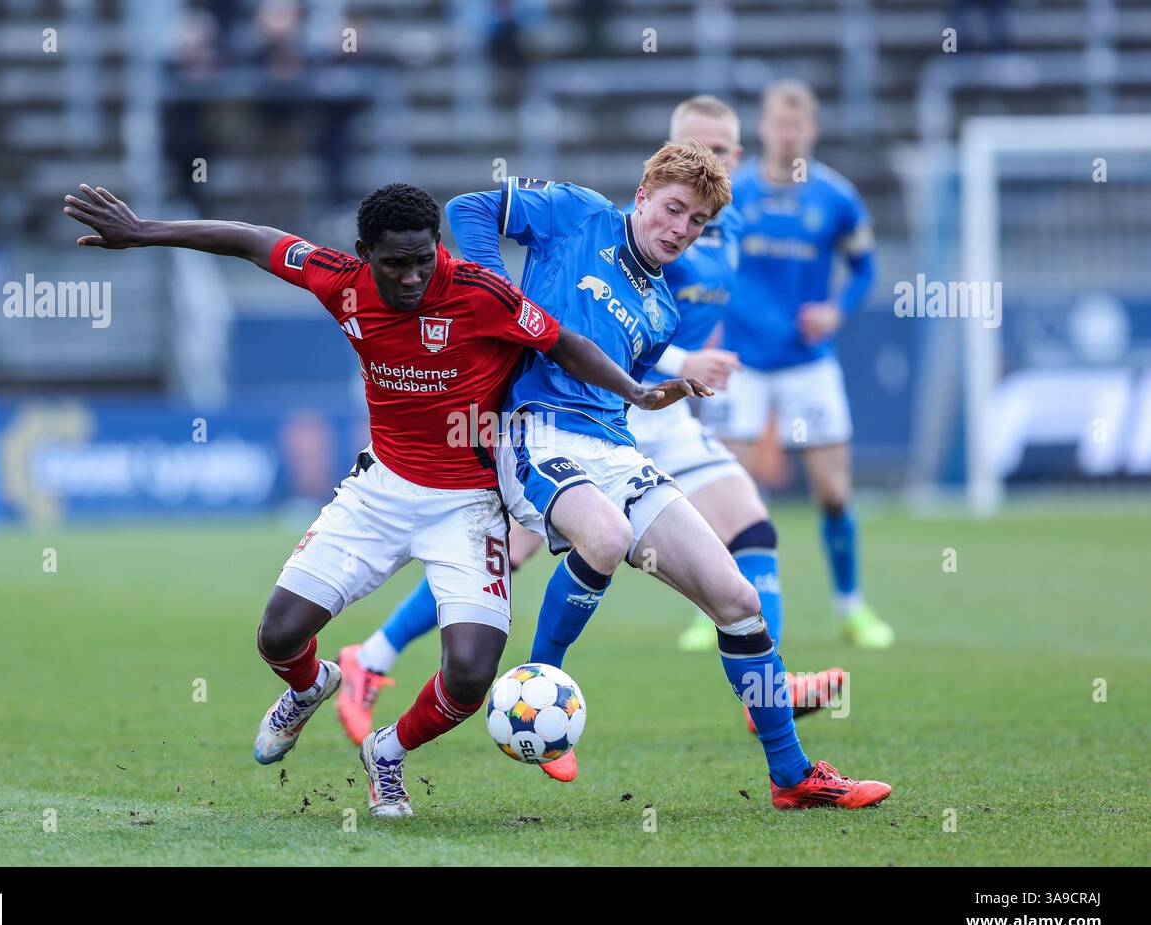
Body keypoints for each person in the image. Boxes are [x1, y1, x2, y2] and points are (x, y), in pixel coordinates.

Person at [62, 181, 702, 817]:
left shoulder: (478, 292)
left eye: (424, 258)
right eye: (396, 262)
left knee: (473, 676)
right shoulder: (339, 282)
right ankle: (312, 687)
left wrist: (639, 394)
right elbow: (253, 241)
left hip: (468, 503)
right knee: (277, 636)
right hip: (382, 491)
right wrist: (147, 232)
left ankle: (386, 753)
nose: (413, 276)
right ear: (364, 252)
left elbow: (564, 342)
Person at [344, 141, 890, 808]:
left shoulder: (663, 306)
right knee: (600, 539)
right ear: (643, 195)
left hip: (617, 451)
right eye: (673, 210)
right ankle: (541, 679)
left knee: (740, 602)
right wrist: (496, 288)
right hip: (533, 432)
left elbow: (617, 380)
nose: (680, 230)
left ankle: (792, 775)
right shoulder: (577, 213)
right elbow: (471, 205)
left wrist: (651, 391)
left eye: (696, 223)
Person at [710, 79, 895, 650]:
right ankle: (712, 609)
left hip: (808, 363)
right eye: (777, 123)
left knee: (833, 490)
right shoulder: (733, 191)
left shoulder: (836, 198)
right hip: (741, 361)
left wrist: (837, 310)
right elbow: (703, 256)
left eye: (798, 125)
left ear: (811, 130)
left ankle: (851, 609)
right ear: (763, 128)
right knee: (725, 492)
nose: (787, 134)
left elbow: (864, 267)